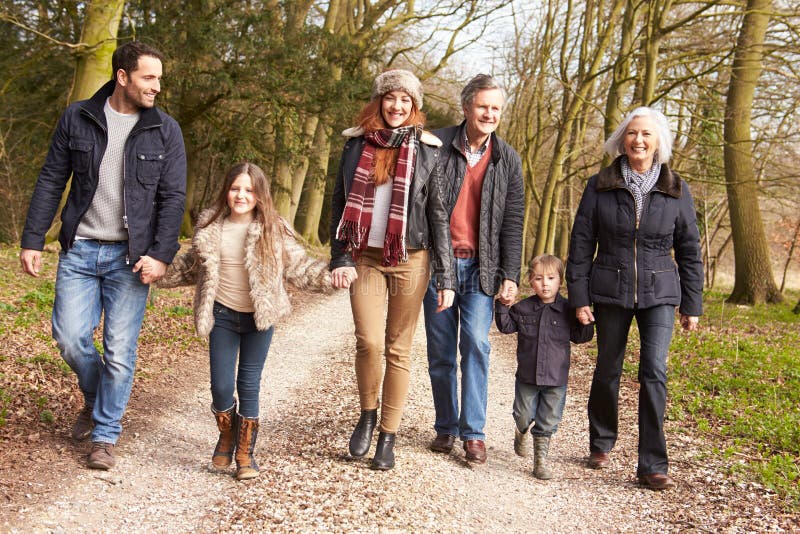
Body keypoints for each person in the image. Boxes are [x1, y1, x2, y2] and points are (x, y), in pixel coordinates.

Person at [19, 41, 186, 470]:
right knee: (70, 338)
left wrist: (162, 255)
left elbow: (172, 199)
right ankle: (97, 399)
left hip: (131, 258)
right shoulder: (79, 116)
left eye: (160, 79)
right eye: (149, 78)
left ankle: (105, 435)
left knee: (119, 351)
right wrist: (33, 238)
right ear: (123, 76)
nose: (157, 87)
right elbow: (52, 177)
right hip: (79, 248)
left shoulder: (165, 130)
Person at [159, 162, 332, 481]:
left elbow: (299, 267)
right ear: (226, 190)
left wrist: (331, 278)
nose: (241, 195)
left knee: (248, 385)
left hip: (258, 319)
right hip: (222, 315)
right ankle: (227, 433)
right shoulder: (210, 225)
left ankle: (244, 453)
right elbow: (190, 267)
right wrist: (157, 272)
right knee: (221, 387)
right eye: (235, 188)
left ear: (259, 195)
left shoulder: (272, 228)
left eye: (249, 190)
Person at [566, 106, 703, 490]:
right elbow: (581, 244)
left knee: (654, 372)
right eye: (631, 133)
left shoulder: (676, 188)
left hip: (660, 291)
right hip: (610, 287)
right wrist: (580, 296)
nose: (638, 140)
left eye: (645, 134)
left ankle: (652, 463)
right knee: (608, 369)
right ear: (621, 140)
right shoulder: (600, 184)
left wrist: (692, 304)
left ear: (658, 141)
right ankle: (601, 440)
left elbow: (689, 250)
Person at [329, 69, 455, 471]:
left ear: (414, 106)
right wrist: (340, 257)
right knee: (368, 340)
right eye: (390, 98)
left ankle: (388, 434)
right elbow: (338, 203)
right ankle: (367, 414)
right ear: (379, 102)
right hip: (364, 257)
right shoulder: (355, 145)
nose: (397, 106)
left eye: (405, 100)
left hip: (411, 259)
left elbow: (438, 215)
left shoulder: (430, 151)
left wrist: (446, 276)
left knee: (399, 349)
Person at [423, 74, 524, 464]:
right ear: (466, 107)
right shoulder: (437, 144)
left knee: (478, 346)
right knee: (441, 349)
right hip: (439, 267)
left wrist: (510, 274)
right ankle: (446, 427)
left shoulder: (508, 159)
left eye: (496, 108)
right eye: (483, 106)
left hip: (483, 270)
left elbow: (513, 221)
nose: (490, 114)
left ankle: (474, 433)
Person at [495, 254, 593, 479]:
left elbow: (580, 337)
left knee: (548, 420)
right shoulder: (523, 309)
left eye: (551, 278)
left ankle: (540, 461)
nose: (545, 283)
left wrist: (585, 321)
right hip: (527, 377)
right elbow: (506, 327)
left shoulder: (569, 310)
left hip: (555, 378)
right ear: (530, 280)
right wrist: (502, 305)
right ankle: (520, 432)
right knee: (522, 415)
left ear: (561, 281)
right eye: (539, 278)